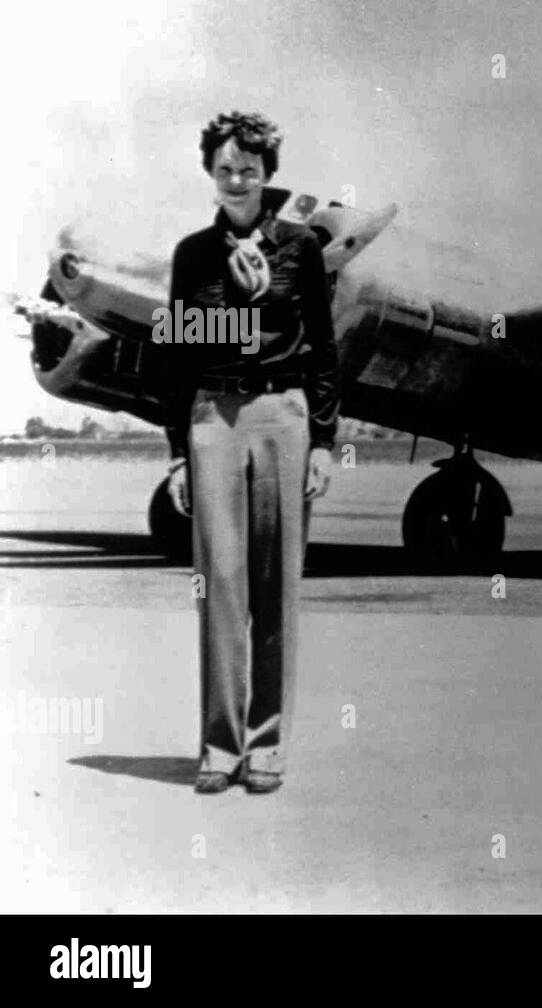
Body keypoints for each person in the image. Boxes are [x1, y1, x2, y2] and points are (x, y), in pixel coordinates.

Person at [163, 111, 340, 794]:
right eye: (225, 169)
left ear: (268, 173)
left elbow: (323, 351)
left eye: (249, 169)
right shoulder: (192, 256)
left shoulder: (301, 248)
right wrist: (179, 449)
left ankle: (266, 746)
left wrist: (323, 441)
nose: (236, 180)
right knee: (221, 587)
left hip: (282, 416)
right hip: (214, 416)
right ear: (210, 173)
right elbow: (177, 359)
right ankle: (220, 746)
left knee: (277, 589)